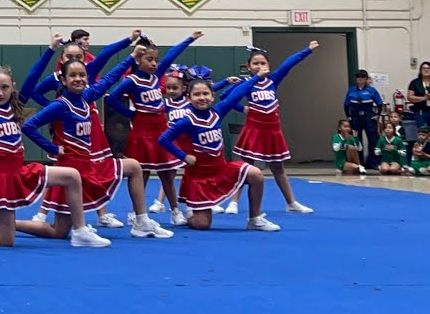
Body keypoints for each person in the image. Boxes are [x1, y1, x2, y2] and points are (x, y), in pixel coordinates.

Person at [0, 65, 109, 248]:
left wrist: (51, 49)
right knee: (5, 241)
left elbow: (33, 76)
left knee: (72, 176)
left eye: (5, 87)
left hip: (21, 169)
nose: (0, 92)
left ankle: (80, 232)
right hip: (3, 176)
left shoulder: (16, 104)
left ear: (13, 87)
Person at [21, 47, 174, 239]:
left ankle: (141, 222)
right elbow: (28, 126)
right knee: (59, 231)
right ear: (63, 80)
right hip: (73, 173)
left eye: (82, 75)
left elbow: (109, 79)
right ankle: (6, 222)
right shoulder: (59, 105)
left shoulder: (86, 97)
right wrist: (51, 148)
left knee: (134, 167)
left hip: (90, 166)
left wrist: (131, 58)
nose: (78, 79)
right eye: (73, 75)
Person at [159, 75, 282, 232]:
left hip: (221, 169)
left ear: (212, 96)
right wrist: (183, 156)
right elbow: (164, 139)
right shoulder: (186, 120)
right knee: (202, 225)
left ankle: (255, 219)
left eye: (205, 94)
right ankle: (190, 211)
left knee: (256, 175)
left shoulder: (218, 112)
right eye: (197, 95)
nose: (202, 98)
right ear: (188, 98)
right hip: (200, 178)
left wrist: (255, 78)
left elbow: (236, 95)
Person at [105, 33, 202, 226]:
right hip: (142, 131)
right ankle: (135, 213)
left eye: (155, 60)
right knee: (142, 172)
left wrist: (189, 39)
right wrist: (131, 114)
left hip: (160, 129)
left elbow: (170, 57)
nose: (155, 64)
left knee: (167, 173)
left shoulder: (157, 77)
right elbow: (110, 99)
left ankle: (175, 211)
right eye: (149, 59)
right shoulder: (132, 81)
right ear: (138, 59)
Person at [229, 42, 318, 214]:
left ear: (268, 66)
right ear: (248, 67)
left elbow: (288, 64)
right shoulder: (247, 83)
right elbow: (228, 98)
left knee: (278, 168)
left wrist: (307, 50)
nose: (260, 66)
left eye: (263, 63)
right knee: (245, 167)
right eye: (255, 63)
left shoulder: (273, 80)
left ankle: (291, 203)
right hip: (254, 130)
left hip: (272, 131)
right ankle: (233, 202)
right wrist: (243, 109)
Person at [344, 69, 383, 169]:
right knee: (357, 140)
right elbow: (346, 105)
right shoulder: (351, 90)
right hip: (356, 117)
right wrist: (348, 116)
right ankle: (359, 162)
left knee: (373, 139)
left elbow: (379, 103)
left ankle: (372, 162)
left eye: (362, 77)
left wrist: (377, 115)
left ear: (366, 79)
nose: (360, 79)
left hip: (369, 116)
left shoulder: (371, 90)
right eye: (358, 77)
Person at [407, 62, 430, 129]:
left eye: (428, 68)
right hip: (420, 111)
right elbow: (410, 97)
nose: (426, 70)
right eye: (424, 68)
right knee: (423, 131)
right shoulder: (415, 82)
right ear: (420, 70)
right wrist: (424, 98)